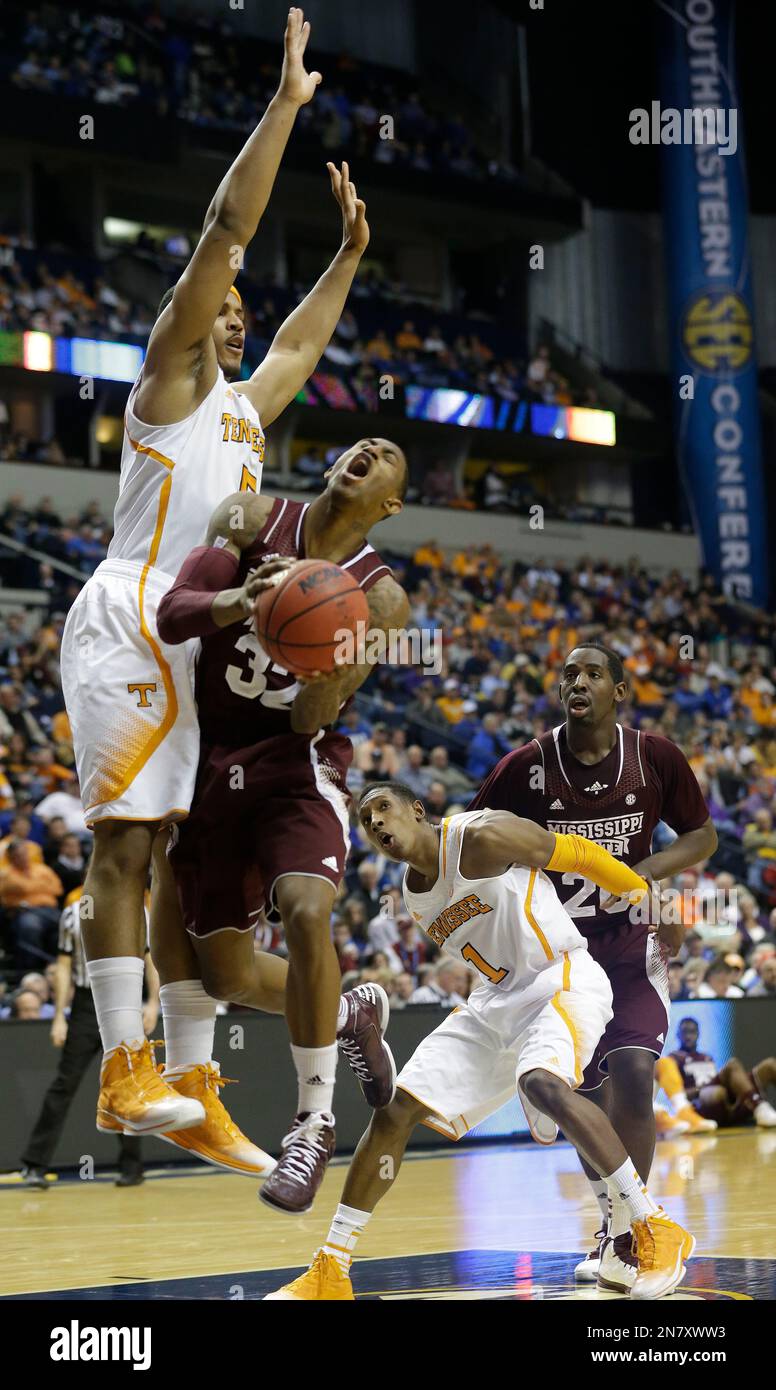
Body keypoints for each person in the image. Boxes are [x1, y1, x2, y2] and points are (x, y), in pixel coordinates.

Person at [57, 11, 372, 1151]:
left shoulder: (241, 409)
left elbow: (298, 351)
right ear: (188, 320)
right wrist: (286, 105)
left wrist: (344, 259)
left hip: (188, 640)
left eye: (240, 308)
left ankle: (187, 1080)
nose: (233, 312)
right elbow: (227, 226)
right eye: (220, 302)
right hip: (128, 621)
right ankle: (122, 1070)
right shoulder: (169, 384)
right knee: (125, 849)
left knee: (183, 867)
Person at [266, 784, 694, 1301]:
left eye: (384, 808)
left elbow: (578, 853)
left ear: (417, 810)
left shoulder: (481, 835)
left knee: (541, 1083)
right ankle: (331, 1269)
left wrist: (643, 896)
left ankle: (652, 1222)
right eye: (366, 819)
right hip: (495, 1000)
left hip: (561, 976)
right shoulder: (413, 891)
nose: (377, 823)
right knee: (398, 1110)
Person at [153, 438, 409, 1212]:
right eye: (361, 442)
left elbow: (314, 715)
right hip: (208, 761)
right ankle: (354, 1011)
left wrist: (315, 658)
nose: (366, 446)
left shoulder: (384, 601)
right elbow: (172, 616)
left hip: (297, 766)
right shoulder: (251, 515)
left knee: (306, 908)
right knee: (226, 977)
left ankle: (313, 1121)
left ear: (390, 505)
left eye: (388, 452)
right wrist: (244, 602)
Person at [468, 642, 717, 1292]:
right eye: (569, 673)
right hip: (556, 953)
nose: (578, 681)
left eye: (593, 672)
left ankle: (631, 1238)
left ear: (618, 692)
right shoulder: (525, 768)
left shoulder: (655, 756)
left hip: (631, 945)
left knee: (634, 1076)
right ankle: (613, 1220)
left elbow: (702, 836)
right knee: (587, 1099)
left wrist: (645, 875)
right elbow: (470, 836)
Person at [14, 890, 158, 1190]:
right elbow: (64, 965)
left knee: (125, 1087)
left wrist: (153, 1003)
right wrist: (58, 1016)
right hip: (84, 1003)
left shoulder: (136, 910)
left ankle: (133, 1166)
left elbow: (149, 957)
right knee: (65, 1083)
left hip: (123, 1000)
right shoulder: (73, 913)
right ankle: (35, 1164)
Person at [656, 1018, 776, 1130]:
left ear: (698, 1034)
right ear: (678, 1035)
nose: (688, 1036)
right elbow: (679, 1096)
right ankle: (759, 1106)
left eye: (692, 1032)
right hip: (701, 1101)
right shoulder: (674, 1058)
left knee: (769, 1065)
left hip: (724, 1097)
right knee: (729, 1070)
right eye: (685, 1032)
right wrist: (700, 1089)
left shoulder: (707, 1057)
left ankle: (756, 1104)